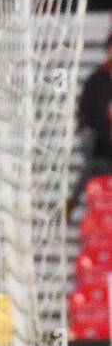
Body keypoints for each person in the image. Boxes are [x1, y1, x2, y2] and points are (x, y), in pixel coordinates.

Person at [72, 30, 112, 212]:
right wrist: (85, 128)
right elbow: (85, 109)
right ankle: (70, 205)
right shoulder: (97, 79)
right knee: (94, 175)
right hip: (101, 145)